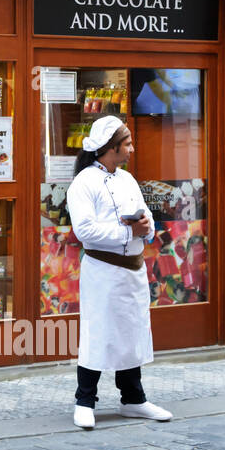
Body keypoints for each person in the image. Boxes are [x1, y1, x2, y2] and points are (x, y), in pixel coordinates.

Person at [66, 115, 173, 429]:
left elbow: (147, 218)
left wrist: (145, 227)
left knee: (132, 333)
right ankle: (85, 400)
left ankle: (133, 398)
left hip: (133, 271)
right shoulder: (84, 182)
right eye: (127, 144)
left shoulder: (126, 179)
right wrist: (128, 234)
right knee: (98, 333)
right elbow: (86, 231)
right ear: (110, 148)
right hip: (103, 271)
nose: (132, 149)